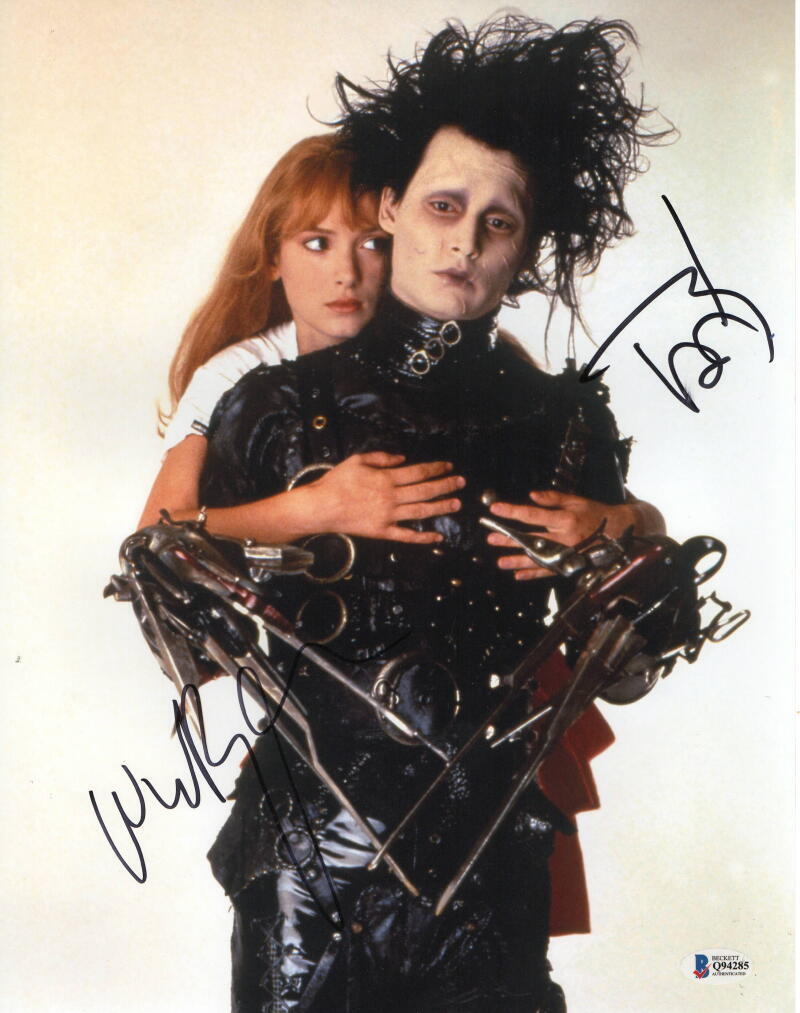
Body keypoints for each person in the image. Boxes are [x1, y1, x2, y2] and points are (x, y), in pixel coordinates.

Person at [199, 16, 668, 1012]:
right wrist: (300, 516)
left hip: (491, 865)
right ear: (392, 206)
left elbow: (628, 670)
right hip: (308, 869)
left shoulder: (564, 422)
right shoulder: (272, 406)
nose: (463, 241)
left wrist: (629, 549)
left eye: (498, 222)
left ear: (525, 247)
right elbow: (186, 634)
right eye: (444, 205)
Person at [140, 133, 463, 542]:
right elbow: (154, 537)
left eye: (372, 244)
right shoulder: (231, 375)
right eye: (317, 243)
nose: (347, 273)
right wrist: (314, 510)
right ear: (272, 257)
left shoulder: (447, 357)